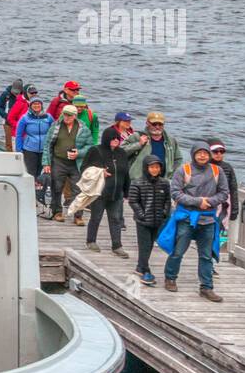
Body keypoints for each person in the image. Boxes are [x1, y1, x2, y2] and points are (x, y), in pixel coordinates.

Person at [162, 141, 229, 300]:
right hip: (187, 217)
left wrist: (210, 202)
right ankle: (170, 277)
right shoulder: (183, 170)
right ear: (193, 154)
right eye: (199, 152)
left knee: (206, 256)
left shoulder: (217, 170)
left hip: (208, 220)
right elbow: (176, 193)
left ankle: (206, 287)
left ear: (209, 154)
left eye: (205, 152)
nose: (202, 155)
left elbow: (224, 193)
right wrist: (198, 202)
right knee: (178, 251)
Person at [82, 126, 131, 256]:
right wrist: (99, 172)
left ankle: (117, 245)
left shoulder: (122, 153)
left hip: (116, 193)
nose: (116, 140)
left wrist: (127, 191)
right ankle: (91, 240)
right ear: (106, 139)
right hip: (99, 192)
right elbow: (85, 168)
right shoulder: (95, 150)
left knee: (116, 219)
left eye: (117, 138)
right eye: (112, 138)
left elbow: (126, 173)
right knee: (96, 217)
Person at [44, 104, 91, 224]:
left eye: (69, 115)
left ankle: (78, 216)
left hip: (76, 163)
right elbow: (47, 145)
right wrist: (46, 163)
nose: (67, 117)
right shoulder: (55, 126)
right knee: (57, 188)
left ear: (75, 116)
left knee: (78, 189)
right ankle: (57, 212)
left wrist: (79, 153)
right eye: (65, 114)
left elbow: (90, 146)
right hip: (58, 161)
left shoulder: (83, 128)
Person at [129, 155, 172, 285]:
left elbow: (167, 200)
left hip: (158, 220)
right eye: (152, 167)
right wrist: (141, 214)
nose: (154, 170)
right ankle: (145, 271)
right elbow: (133, 201)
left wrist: (165, 213)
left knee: (150, 245)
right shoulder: (137, 183)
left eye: (157, 167)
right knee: (145, 246)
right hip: (142, 221)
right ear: (146, 168)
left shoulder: (164, 183)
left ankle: (139, 267)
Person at [122, 111, 182, 182]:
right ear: (147, 123)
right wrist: (139, 144)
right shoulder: (137, 136)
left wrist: (171, 175)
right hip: (138, 181)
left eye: (160, 124)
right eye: (154, 124)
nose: (157, 127)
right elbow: (121, 153)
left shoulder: (171, 140)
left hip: (162, 182)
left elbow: (178, 159)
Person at [14, 96, 52, 208]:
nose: (36, 106)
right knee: (31, 173)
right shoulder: (25, 118)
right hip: (30, 149)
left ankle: (39, 195)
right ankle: (30, 196)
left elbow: (54, 131)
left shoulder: (48, 117)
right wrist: (19, 149)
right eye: (34, 104)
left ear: (41, 105)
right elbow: (19, 135)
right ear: (30, 106)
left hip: (44, 150)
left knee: (42, 173)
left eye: (38, 104)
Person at [204, 138, 240, 227]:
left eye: (222, 151)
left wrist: (235, 210)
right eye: (215, 151)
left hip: (223, 204)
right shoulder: (202, 166)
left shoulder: (228, 167)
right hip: (205, 203)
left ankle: (220, 240)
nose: (219, 154)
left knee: (221, 229)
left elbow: (233, 188)